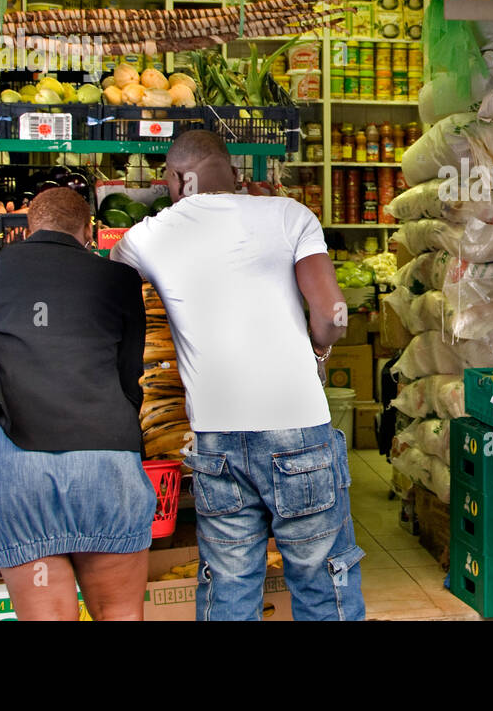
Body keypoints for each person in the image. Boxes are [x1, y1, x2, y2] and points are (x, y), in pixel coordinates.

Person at [110, 130, 363, 621]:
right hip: (299, 429)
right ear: (234, 172)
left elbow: (109, 297)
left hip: (216, 438)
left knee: (228, 580)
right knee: (321, 577)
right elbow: (333, 314)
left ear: (179, 178)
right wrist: (318, 350)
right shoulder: (289, 214)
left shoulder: (147, 236)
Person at [0, 188, 153, 620]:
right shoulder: (118, 278)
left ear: (28, 226)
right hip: (105, 463)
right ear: (89, 230)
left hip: (14, 464)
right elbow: (130, 379)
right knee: (120, 612)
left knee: (47, 613)